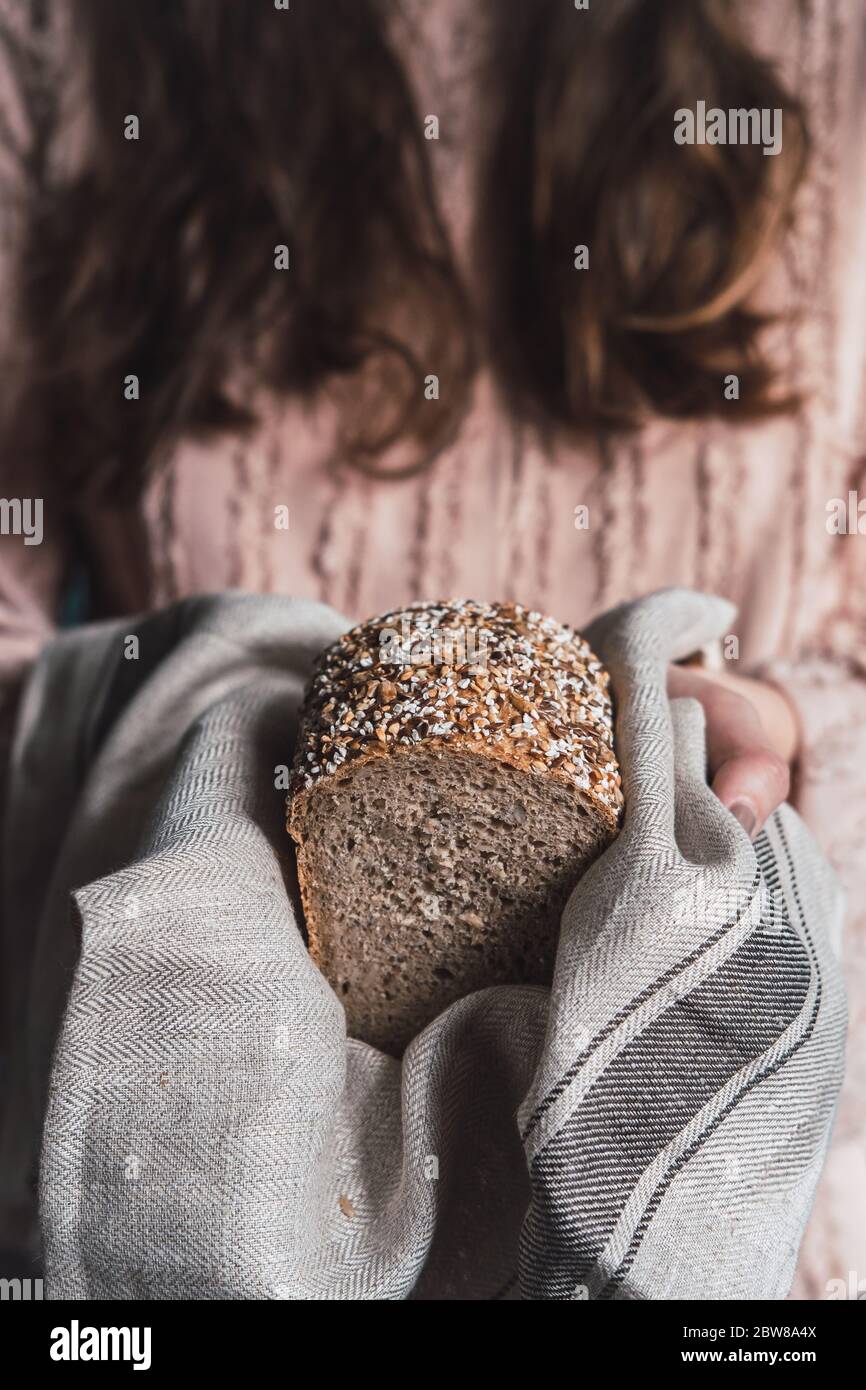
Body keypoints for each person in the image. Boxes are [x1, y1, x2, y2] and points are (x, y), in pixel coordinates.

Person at [0, 0, 863, 1298]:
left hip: (740, 1232)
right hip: (189, 1195)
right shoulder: (63, 42)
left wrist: (799, 752)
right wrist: (177, 743)